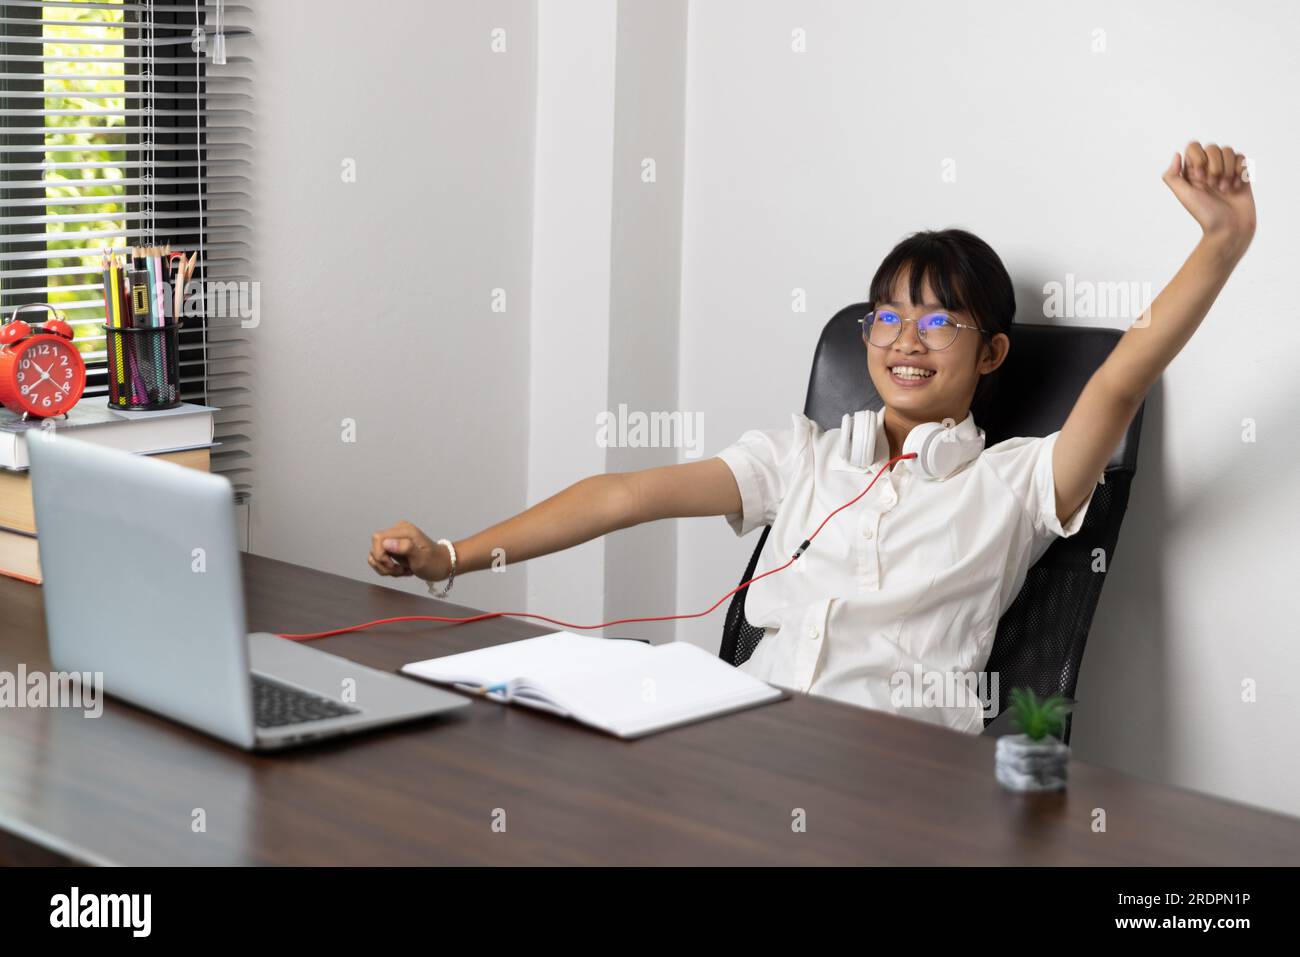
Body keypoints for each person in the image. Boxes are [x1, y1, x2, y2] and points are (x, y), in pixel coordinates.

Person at [368, 140, 1255, 732]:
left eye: (941, 321)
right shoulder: (803, 454)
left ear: (991, 352)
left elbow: (1124, 376)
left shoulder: (1023, 483)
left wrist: (1221, 239)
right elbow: (623, 496)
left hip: (898, 766)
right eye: (889, 315)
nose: (907, 337)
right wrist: (452, 555)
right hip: (748, 729)